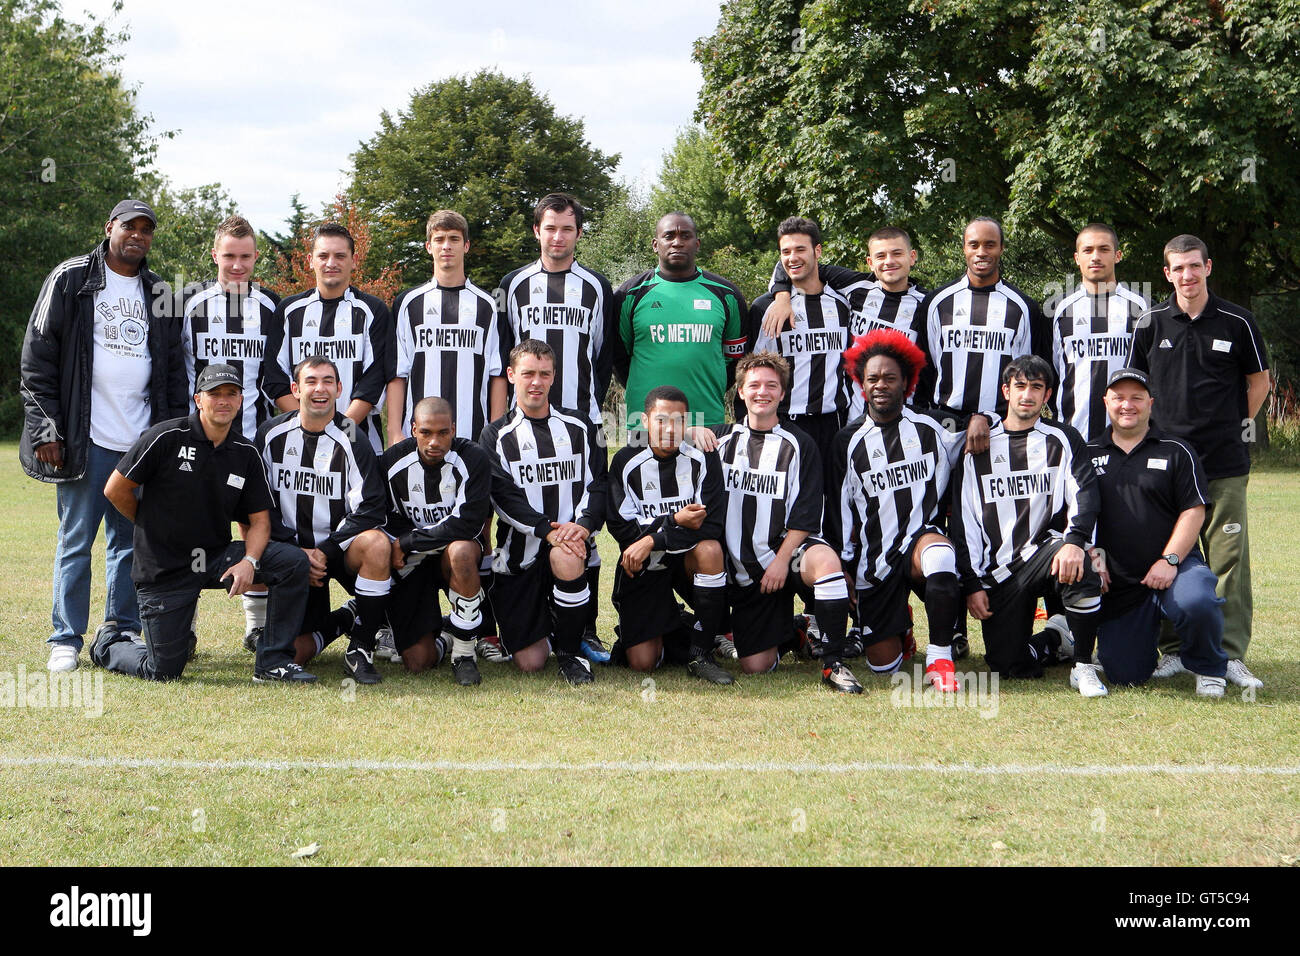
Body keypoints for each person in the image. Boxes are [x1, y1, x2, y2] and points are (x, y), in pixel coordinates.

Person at [20, 198, 188, 673]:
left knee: (130, 543)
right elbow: (36, 361)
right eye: (129, 226)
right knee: (77, 539)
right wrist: (46, 428)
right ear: (109, 227)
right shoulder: (71, 277)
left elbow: (175, 373)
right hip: (84, 439)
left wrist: (170, 438)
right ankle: (65, 638)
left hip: (140, 445)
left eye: (146, 229)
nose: (138, 235)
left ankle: (119, 630)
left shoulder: (162, 291)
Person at [93, 365, 314, 682]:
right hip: (164, 567)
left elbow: (260, 521)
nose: (223, 401)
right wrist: (150, 525)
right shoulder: (165, 437)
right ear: (198, 399)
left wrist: (249, 562)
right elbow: (115, 489)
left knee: (292, 562)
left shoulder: (245, 452)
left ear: (240, 401)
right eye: (214, 394)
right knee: (164, 670)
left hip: (214, 556)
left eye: (231, 394)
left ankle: (272, 662)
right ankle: (109, 644)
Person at [1127, 235, 1270, 689]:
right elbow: (1137, 391)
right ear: (1166, 274)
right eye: (1177, 268)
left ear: (1208, 267)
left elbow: (1259, 382)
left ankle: (1227, 655)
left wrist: (1231, 424)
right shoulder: (1149, 323)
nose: (1187, 275)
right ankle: (1175, 652)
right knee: (1172, 557)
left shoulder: (1237, 321)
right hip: (1167, 470)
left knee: (1228, 562)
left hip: (1224, 463)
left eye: (1194, 266)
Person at [499, 194, 615, 663]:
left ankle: (584, 629)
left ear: (578, 234)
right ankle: (508, 621)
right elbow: (506, 353)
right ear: (537, 231)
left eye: (567, 228)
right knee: (517, 516)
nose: (558, 237)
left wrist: (586, 411)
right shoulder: (513, 285)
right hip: (525, 422)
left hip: (585, 419)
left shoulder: (596, 287)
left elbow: (603, 354)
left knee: (585, 519)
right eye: (550, 228)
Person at [828, 331, 978, 690]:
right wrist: (844, 566)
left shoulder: (935, 427)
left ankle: (940, 659)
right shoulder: (846, 440)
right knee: (884, 666)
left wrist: (981, 418)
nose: (880, 385)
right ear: (861, 383)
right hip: (874, 557)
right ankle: (902, 629)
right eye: (872, 378)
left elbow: (984, 426)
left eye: (890, 378)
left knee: (940, 555)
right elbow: (840, 509)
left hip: (919, 542)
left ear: (907, 383)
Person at [950, 355, 1105, 694]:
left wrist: (1075, 541)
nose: (1027, 395)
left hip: (1042, 551)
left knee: (1081, 564)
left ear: (1047, 395)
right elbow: (965, 522)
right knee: (1009, 666)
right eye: (1020, 386)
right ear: (1006, 390)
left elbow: (1085, 494)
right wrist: (973, 584)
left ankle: (1083, 664)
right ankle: (1054, 637)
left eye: (1036, 388)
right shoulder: (979, 446)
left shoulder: (1063, 439)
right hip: (1000, 570)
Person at [713, 351, 861, 693]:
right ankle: (792, 631)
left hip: (788, 555)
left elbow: (807, 514)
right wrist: (692, 430)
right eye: (754, 385)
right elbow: (667, 433)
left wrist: (781, 562)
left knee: (825, 562)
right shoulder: (717, 439)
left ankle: (833, 663)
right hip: (747, 572)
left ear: (782, 394)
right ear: (740, 392)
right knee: (755, 666)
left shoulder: (800, 444)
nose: (761, 391)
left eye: (771, 385)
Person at [1085, 368, 1228, 697]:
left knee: (1197, 600)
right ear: (1106, 401)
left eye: (1136, 397)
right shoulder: (1089, 453)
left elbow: (1194, 509)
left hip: (1175, 566)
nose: (1127, 405)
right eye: (1119, 397)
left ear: (1150, 403)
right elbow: (1079, 515)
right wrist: (1093, 555)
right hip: (1120, 581)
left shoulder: (1176, 449)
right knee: (1126, 674)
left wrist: (1170, 559)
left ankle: (1207, 666)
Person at [179, 214, 282, 653]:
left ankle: (256, 625)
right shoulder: (189, 302)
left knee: (255, 523)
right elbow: (173, 367)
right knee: (187, 530)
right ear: (215, 255)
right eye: (229, 257)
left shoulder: (273, 306)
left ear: (255, 257)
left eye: (245, 257)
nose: (237, 265)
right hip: (197, 437)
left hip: (252, 436)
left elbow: (277, 376)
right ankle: (181, 624)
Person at [479, 340, 607, 684]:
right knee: (530, 663)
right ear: (511, 376)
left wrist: (582, 526)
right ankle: (549, 625)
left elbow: (598, 485)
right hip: (520, 555)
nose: (536, 382)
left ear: (553, 378)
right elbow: (504, 497)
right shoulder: (495, 435)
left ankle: (569, 652)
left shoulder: (581, 426)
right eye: (528, 374)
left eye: (544, 374)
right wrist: (546, 530)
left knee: (565, 555)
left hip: (572, 545)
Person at [256, 356, 391, 685]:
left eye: (328, 381)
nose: (320, 389)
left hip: (339, 552)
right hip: (293, 558)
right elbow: (259, 503)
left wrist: (325, 550)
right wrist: (295, 551)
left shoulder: (352, 437)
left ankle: (360, 649)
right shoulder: (271, 433)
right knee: (292, 653)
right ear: (295, 389)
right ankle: (347, 617)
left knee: (376, 543)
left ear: (339, 388)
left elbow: (371, 507)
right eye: (311, 381)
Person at [606, 386, 733, 684]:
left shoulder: (703, 458)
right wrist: (676, 520)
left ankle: (701, 654)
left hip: (685, 559)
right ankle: (678, 625)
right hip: (646, 564)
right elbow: (622, 528)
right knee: (642, 663)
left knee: (710, 549)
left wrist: (654, 538)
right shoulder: (626, 461)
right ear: (646, 421)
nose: (670, 428)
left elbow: (710, 525)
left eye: (679, 420)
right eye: (661, 420)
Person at [380, 397, 493, 686]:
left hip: (449, 554)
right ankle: (447, 637)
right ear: (413, 428)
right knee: (418, 662)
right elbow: (386, 517)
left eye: (443, 433)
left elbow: (467, 523)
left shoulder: (474, 458)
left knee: (462, 550)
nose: (434, 441)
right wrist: (408, 544)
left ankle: (464, 655)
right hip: (416, 561)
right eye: (426, 432)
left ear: (453, 430)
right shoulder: (392, 462)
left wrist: (408, 542)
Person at [263, 222, 394, 454]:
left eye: (340, 256)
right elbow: (275, 378)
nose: (331, 263)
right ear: (310, 260)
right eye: (323, 255)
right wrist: (308, 427)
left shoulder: (373, 310)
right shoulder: (288, 311)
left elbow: (373, 381)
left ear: (353, 261)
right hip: (299, 437)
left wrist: (338, 431)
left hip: (357, 436)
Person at [916, 217, 1048, 446]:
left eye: (990, 244)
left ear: (1001, 248)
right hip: (945, 426)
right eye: (974, 244)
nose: (981, 252)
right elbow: (927, 368)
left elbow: (1029, 371)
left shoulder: (1023, 307)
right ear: (964, 248)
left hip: (1001, 426)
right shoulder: (936, 303)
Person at [614, 212, 747, 435]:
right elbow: (619, 358)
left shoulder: (727, 294)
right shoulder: (629, 294)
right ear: (656, 245)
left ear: (697, 244)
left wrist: (709, 385)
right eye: (669, 236)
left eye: (685, 235)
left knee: (705, 471)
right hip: (645, 423)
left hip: (706, 419)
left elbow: (736, 359)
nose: (677, 242)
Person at [745, 217, 854, 481]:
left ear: (817, 251)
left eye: (800, 249)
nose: (792, 257)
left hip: (833, 423)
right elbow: (751, 369)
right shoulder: (766, 307)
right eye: (785, 251)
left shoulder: (844, 304)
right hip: (786, 421)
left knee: (832, 502)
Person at [387, 209, 506, 445]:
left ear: (466, 246)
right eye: (439, 239)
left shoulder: (488, 305)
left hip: (473, 435)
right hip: (417, 437)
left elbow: (498, 374)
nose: (446, 246)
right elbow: (397, 373)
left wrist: (495, 434)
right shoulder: (408, 303)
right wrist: (394, 433)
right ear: (428, 246)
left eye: (454, 239)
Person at [1049, 223, 1148, 442]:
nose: (1095, 257)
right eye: (1088, 250)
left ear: (1118, 255)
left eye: (1104, 249)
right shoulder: (1061, 310)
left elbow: (1152, 370)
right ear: (1077, 258)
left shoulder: (1140, 307)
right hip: (1074, 436)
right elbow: (1057, 371)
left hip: (1130, 439)